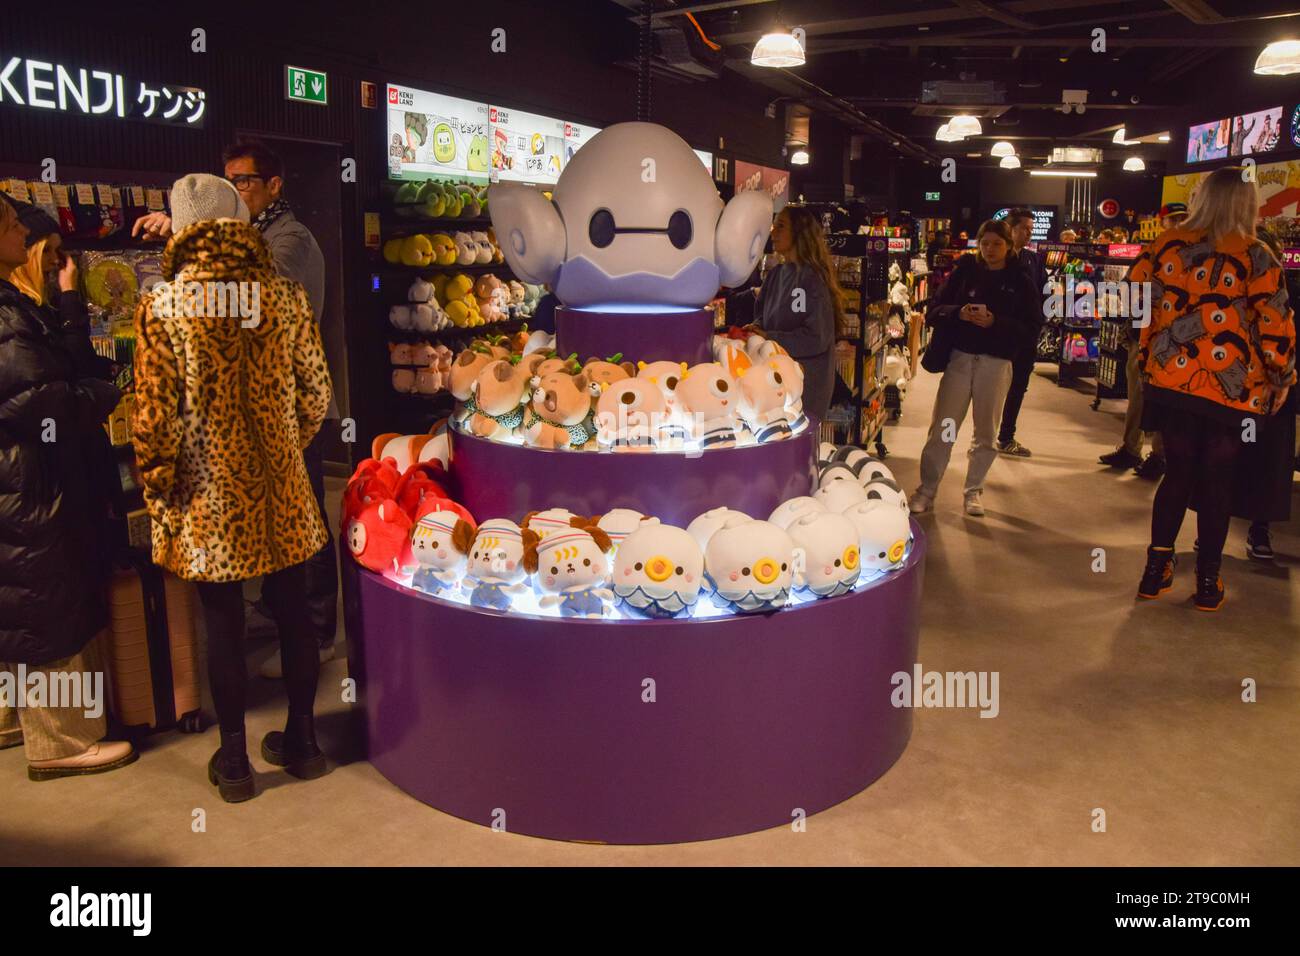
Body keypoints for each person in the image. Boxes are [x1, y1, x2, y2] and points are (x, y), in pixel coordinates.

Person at [131, 174, 333, 800]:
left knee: (223, 625)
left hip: (206, 496)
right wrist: (280, 449)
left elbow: (153, 416)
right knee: (295, 611)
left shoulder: (164, 304)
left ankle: (237, 763)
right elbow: (317, 393)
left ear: (184, 228)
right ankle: (303, 743)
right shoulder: (284, 296)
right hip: (283, 487)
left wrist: (161, 486)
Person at [0, 196, 137, 779]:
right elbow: (41, 400)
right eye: (10, 226)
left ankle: (17, 719)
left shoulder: (22, 307)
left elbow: (67, 369)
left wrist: (68, 299)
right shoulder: (7, 315)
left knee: (28, 598)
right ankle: (59, 744)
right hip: (29, 480)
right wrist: (106, 396)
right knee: (45, 598)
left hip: (31, 479)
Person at [1131, 167, 1295, 611]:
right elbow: (1274, 325)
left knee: (1178, 473)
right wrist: (1282, 378)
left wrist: (1149, 352)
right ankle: (1207, 581)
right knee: (1218, 481)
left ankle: (1154, 571)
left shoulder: (1165, 243)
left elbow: (1132, 299)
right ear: (1247, 203)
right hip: (1233, 390)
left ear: (1203, 198)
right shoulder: (1258, 255)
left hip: (1172, 381)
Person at [912, 219, 1039, 517]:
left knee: (986, 433)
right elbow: (935, 310)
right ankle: (926, 490)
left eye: (997, 243)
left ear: (1008, 246)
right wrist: (960, 313)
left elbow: (1032, 327)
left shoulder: (1021, 280)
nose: (990, 249)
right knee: (943, 428)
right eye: (985, 243)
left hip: (996, 363)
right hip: (960, 359)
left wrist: (997, 323)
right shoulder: (966, 272)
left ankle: (973, 491)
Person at [1099, 202, 1188, 476]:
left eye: (1183, 218)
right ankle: (1132, 449)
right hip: (1146, 333)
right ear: (1163, 223)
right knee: (1138, 394)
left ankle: (1158, 456)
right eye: (1174, 219)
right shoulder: (1156, 249)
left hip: (1177, 339)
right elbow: (1128, 286)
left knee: (1164, 398)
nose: (1179, 223)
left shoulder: (1194, 252)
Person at [753, 205, 843, 424]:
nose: (773, 232)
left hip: (804, 384)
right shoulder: (776, 275)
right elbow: (761, 316)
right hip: (775, 379)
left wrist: (768, 337)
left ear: (800, 232)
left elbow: (814, 338)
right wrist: (754, 331)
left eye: (781, 226)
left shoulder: (809, 280)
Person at [995, 208, 1047, 457]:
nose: (1029, 233)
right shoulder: (994, 259)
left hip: (1025, 336)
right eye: (1025, 228)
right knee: (991, 386)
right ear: (1010, 228)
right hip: (998, 334)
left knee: (1018, 387)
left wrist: (1037, 324)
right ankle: (983, 435)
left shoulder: (1034, 260)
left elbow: (1042, 293)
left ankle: (1006, 436)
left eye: (1031, 229)